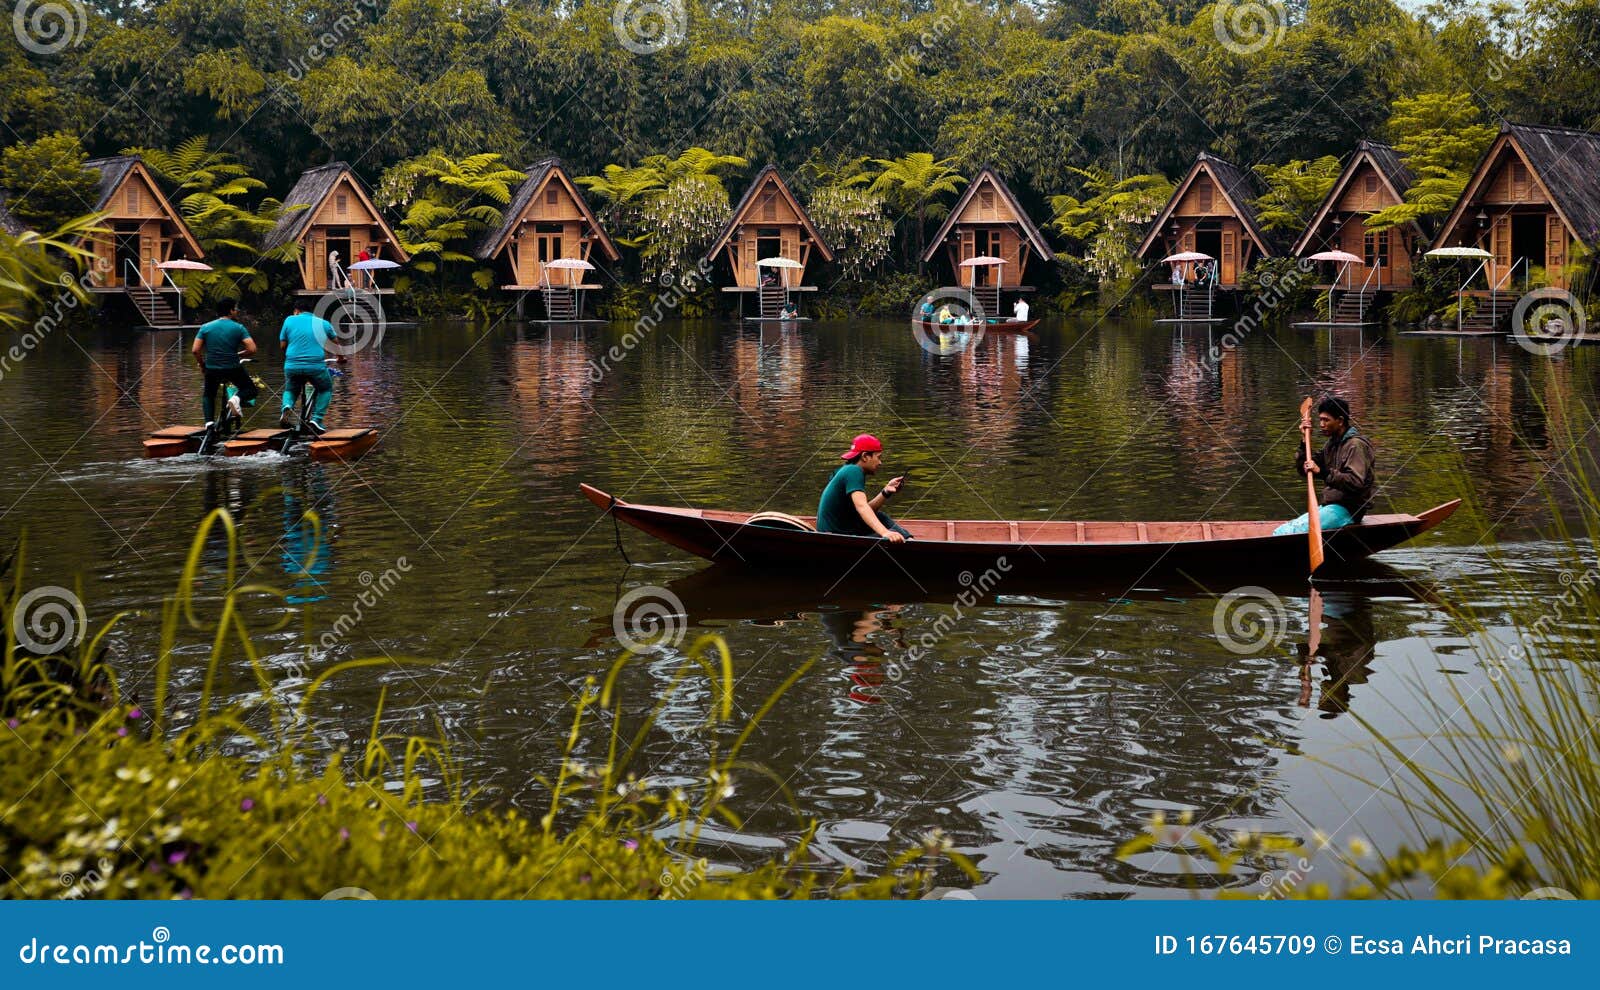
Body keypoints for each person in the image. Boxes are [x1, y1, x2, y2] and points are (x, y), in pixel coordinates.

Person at [1274, 396, 1376, 535]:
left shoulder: (1355, 446)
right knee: (1282, 530)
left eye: (1326, 420)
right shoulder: (1331, 445)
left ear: (1340, 421)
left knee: (1291, 532)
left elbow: (1355, 482)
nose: (1321, 424)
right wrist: (1305, 440)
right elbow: (1305, 469)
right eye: (1320, 419)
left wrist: (1322, 472)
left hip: (1349, 509)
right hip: (1330, 506)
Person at [816, 434, 911, 542]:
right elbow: (862, 506)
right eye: (878, 457)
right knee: (888, 535)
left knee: (880, 516)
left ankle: (911, 542)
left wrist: (886, 492)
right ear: (865, 456)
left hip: (840, 530)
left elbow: (863, 510)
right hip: (835, 537)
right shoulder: (854, 471)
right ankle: (913, 546)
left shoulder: (847, 469)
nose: (880, 462)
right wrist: (885, 532)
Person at [191, 300, 259, 427]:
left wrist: (202, 364)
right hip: (232, 367)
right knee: (250, 390)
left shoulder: (205, 327)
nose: (237, 311)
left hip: (212, 368)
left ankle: (209, 423)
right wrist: (238, 355)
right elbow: (252, 349)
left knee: (209, 394)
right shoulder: (238, 328)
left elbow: (195, 350)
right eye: (235, 308)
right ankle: (236, 399)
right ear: (231, 311)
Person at [278, 300, 336, 433]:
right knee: (325, 389)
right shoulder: (323, 323)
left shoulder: (289, 320)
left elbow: (282, 345)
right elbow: (336, 342)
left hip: (292, 364)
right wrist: (341, 357)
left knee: (291, 389)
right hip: (315, 366)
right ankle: (316, 419)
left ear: (297, 311)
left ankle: (287, 406)